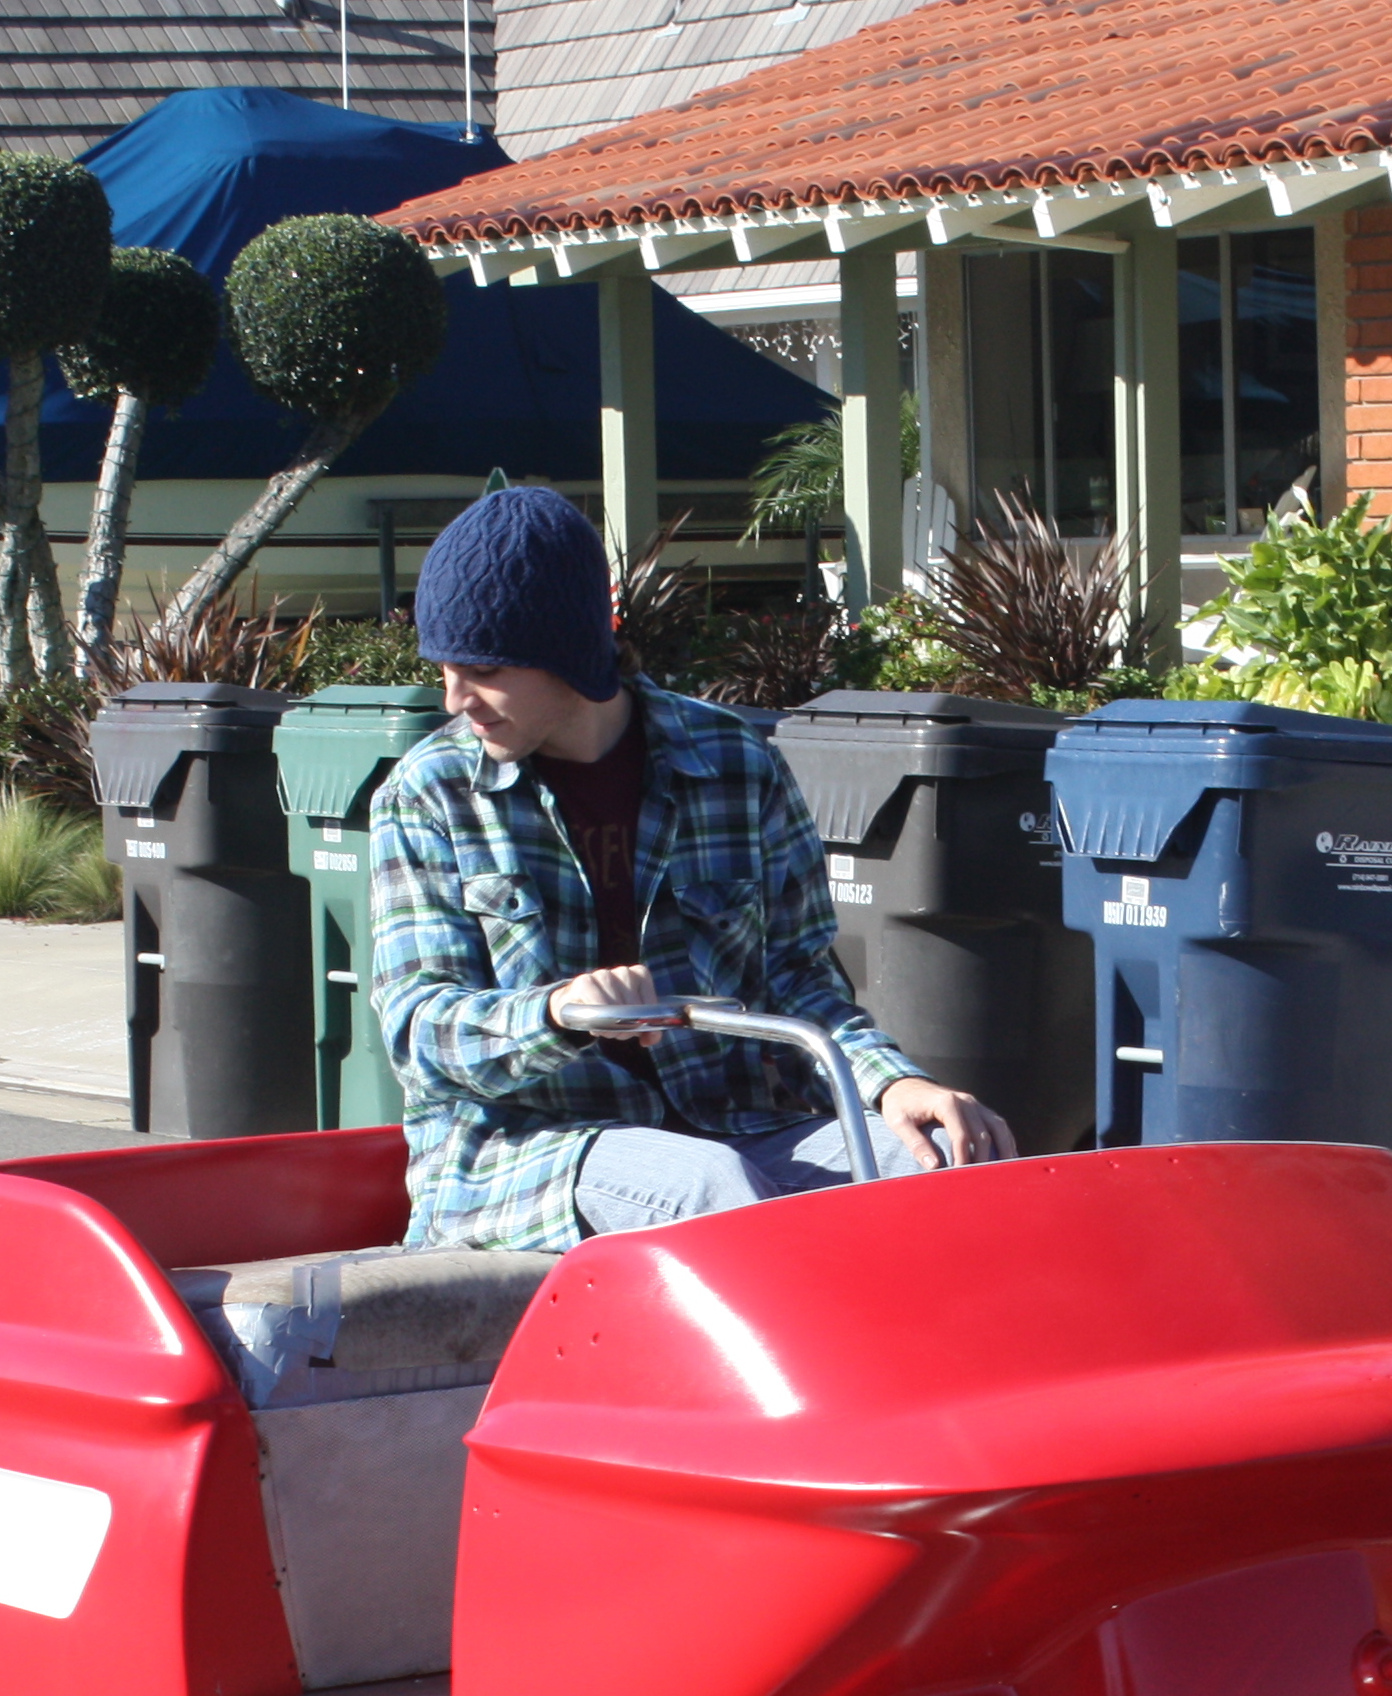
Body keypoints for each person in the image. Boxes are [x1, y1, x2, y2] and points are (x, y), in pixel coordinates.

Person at [366, 485, 1013, 1253]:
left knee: (940, 1169)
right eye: (442, 666)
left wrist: (891, 1084)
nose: (456, 698)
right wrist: (554, 1013)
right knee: (708, 1190)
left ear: (567, 651)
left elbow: (800, 982)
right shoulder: (428, 792)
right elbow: (417, 1029)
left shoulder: (735, 762)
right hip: (527, 1152)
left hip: (733, 1126)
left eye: (483, 668)